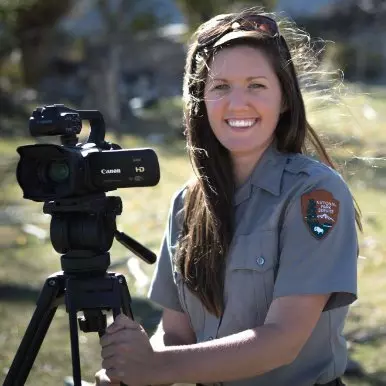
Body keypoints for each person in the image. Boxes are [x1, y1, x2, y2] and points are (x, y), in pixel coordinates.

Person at [94, 7, 362, 386]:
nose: (238, 104)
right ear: (201, 100)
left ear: (284, 99)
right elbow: (176, 335)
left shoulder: (315, 193)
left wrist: (159, 366)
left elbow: (283, 340)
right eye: (220, 87)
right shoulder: (187, 203)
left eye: (256, 85)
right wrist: (136, 368)